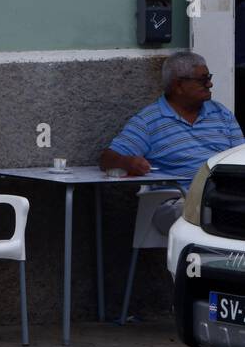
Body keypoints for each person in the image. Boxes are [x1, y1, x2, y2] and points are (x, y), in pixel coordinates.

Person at [100, 50, 244, 234]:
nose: (210, 84)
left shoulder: (220, 113)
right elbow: (106, 159)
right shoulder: (149, 120)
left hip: (224, 197)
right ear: (178, 86)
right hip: (176, 201)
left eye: (209, 77)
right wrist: (128, 163)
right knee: (210, 213)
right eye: (202, 80)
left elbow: (241, 156)